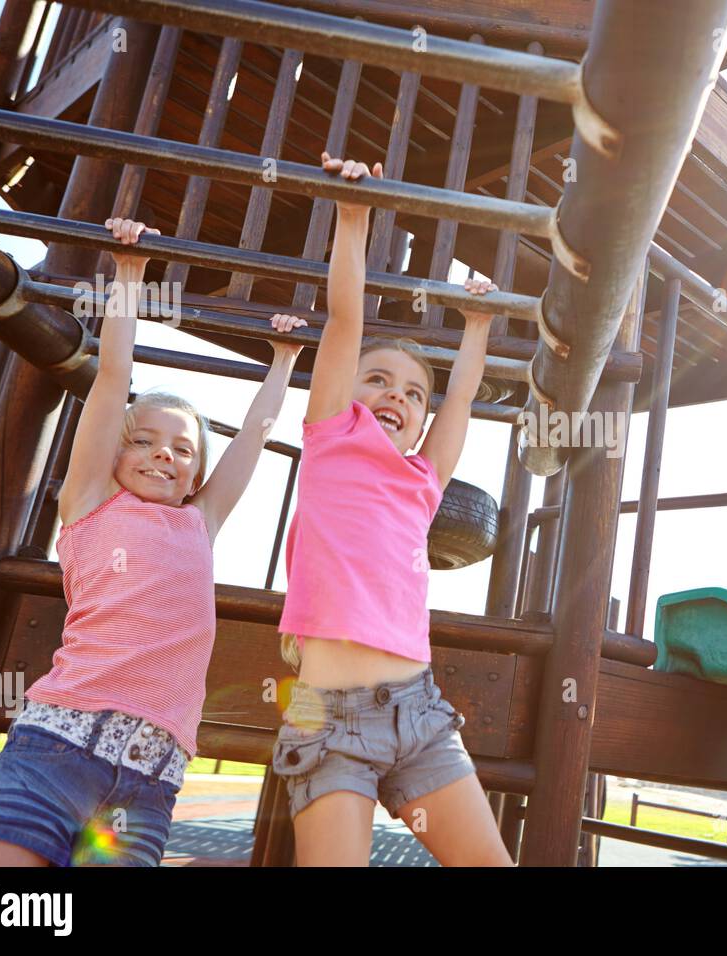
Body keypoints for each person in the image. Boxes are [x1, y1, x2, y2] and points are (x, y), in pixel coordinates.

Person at [0, 217, 306, 866]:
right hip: (58, 748)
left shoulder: (200, 522)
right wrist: (129, 274)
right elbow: (112, 380)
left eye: (182, 449)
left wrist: (283, 362)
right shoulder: (91, 502)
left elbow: (255, 434)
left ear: (196, 474)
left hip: (148, 777)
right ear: (116, 451)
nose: (162, 455)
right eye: (143, 440)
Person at [272, 152, 513, 866]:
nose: (397, 396)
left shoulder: (422, 480)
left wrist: (476, 324)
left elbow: (461, 398)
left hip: (418, 713)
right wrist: (353, 216)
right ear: (349, 393)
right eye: (378, 380)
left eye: (413, 393)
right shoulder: (331, 438)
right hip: (329, 720)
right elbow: (346, 318)